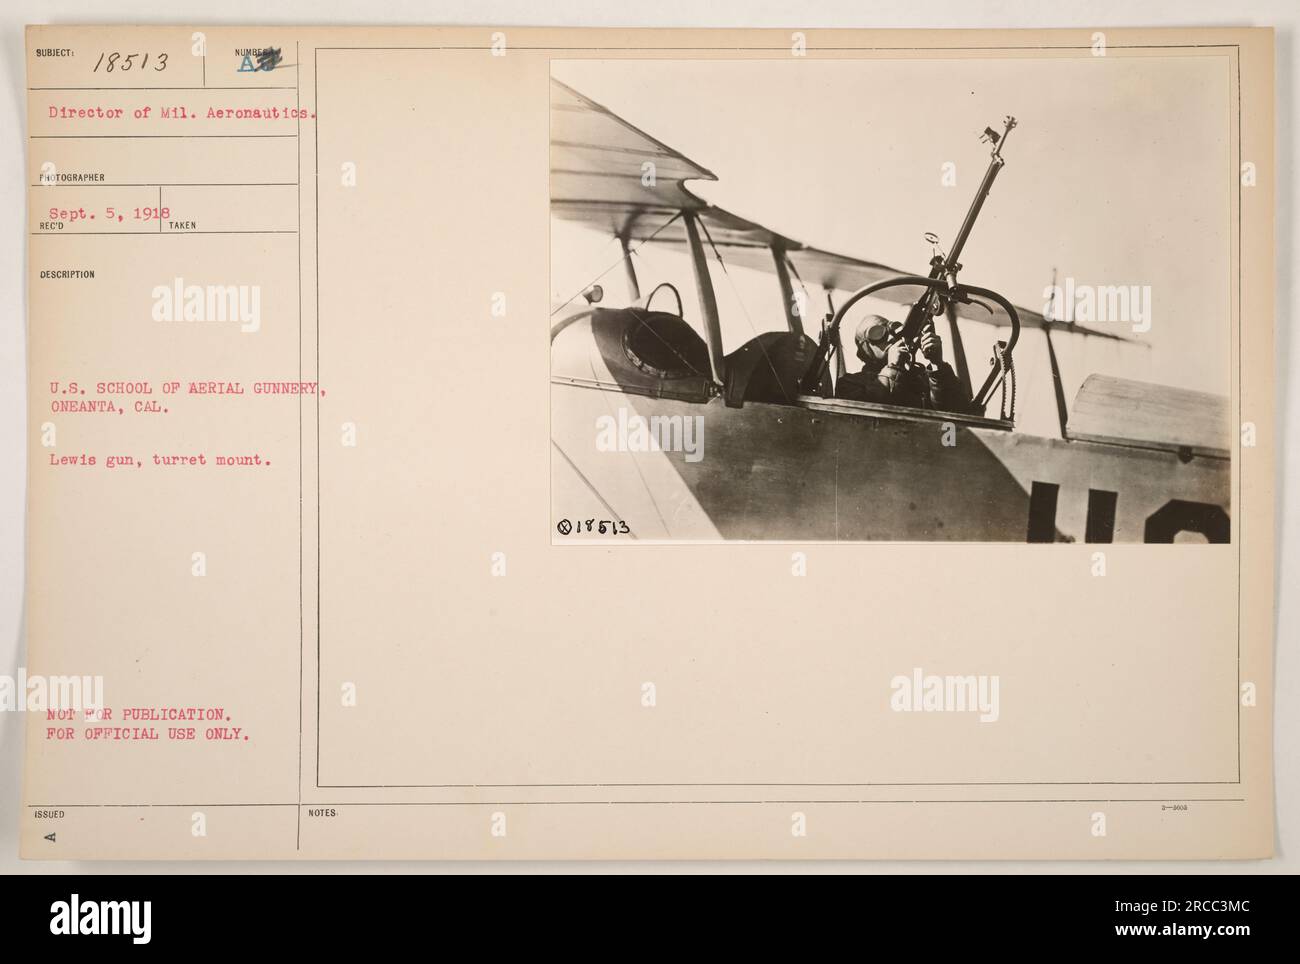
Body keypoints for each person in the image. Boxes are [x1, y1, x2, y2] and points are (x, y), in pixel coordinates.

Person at [835, 314, 970, 412]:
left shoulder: (922, 380)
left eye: (892, 330)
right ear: (864, 349)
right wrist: (893, 367)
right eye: (877, 333)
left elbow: (957, 411)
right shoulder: (849, 384)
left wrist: (937, 365)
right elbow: (875, 414)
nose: (891, 337)